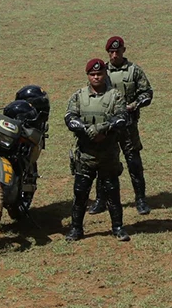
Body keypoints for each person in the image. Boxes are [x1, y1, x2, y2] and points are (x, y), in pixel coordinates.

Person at [64, 58, 131, 242]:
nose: (96, 77)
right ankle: (76, 229)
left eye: (99, 73)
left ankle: (118, 227)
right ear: (88, 76)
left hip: (108, 154)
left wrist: (102, 129)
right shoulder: (79, 96)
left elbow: (122, 118)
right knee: (80, 193)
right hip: (86, 154)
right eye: (92, 74)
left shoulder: (115, 96)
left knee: (112, 191)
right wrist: (86, 131)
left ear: (105, 74)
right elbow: (69, 118)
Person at [87, 36, 154, 216]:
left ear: (124, 50)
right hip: (107, 127)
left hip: (128, 126)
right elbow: (91, 94)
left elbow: (147, 93)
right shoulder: (101, 72)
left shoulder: (134, 71)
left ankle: (140, 199)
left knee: (133, 162)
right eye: (111, 52)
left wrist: (133, 106)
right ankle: (101, 200)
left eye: (117, 51)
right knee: (103, 163)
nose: (114, 55)